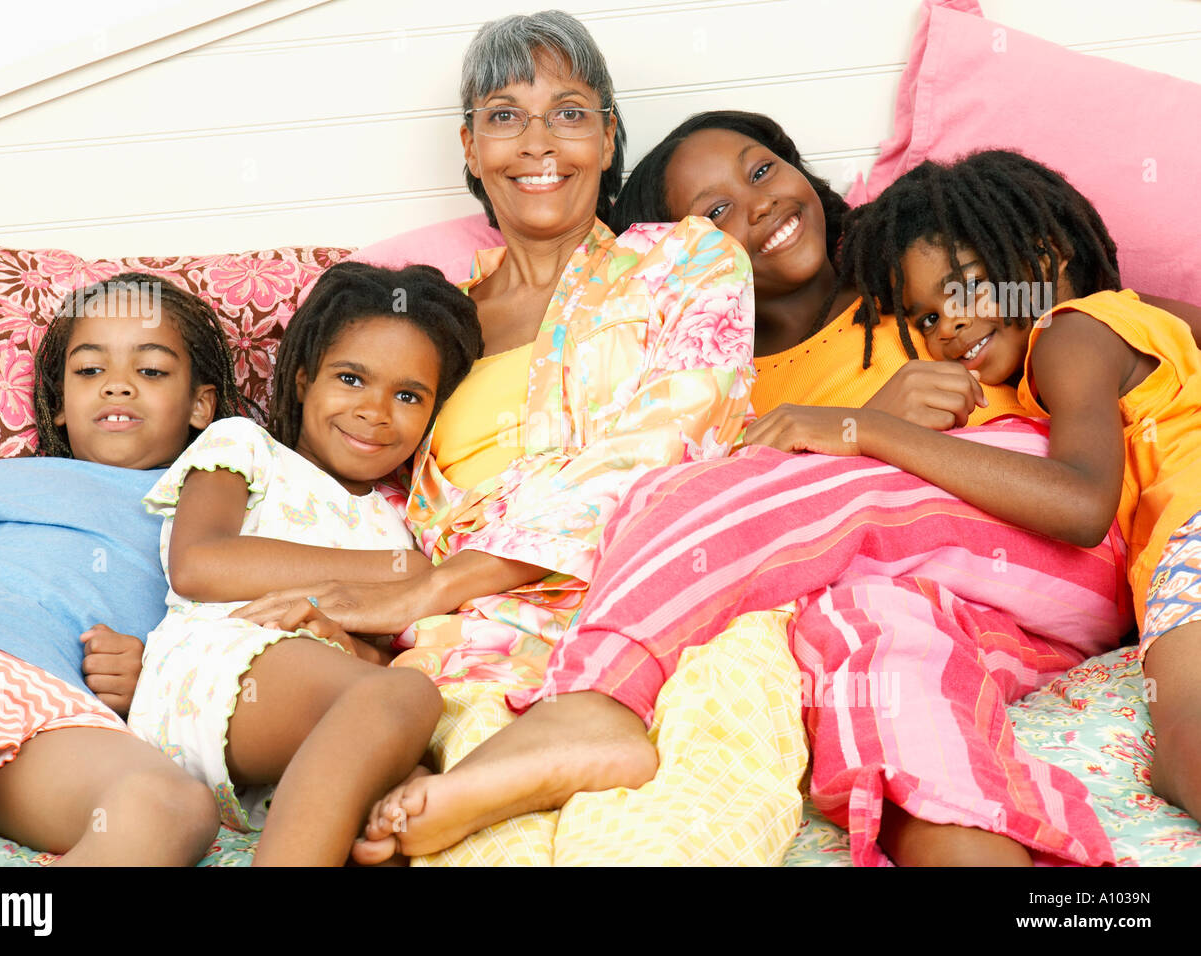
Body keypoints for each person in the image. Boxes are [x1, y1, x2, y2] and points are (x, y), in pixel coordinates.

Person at [356, 113, 1147, 866]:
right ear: (683, 252)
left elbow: (1086, 308)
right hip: (941, 602)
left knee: (704, 494)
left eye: (764, 169)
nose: (760, 202)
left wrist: (854, 431)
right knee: (873, 662)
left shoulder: (909, 272)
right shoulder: (723, 386)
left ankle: (593, 703)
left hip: (1031, 529)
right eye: (717, 210)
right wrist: (848, 422)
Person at [226, 17, 756, 865]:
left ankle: (583, 733)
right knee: (419, 822)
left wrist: (429, 588)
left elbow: (669, 440)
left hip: (645, 587)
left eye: (570, 113)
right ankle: (531, 756)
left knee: (670, 816)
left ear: (610, 136)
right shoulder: (433, 321)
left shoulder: (686, 262)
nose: (538, 142)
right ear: (469, 147)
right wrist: (358, 612)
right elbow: (374, 489)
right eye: (505, 116)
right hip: (463, 637)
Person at [769, 149, 1201, 828]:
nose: (950, 329)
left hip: (1192, 534)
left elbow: (1082, 503)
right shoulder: (1128, 314)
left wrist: (868, 430)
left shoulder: (1063, 338)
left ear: (1047, 259)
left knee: (1187, 735)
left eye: (966, 289)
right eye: (928, 318)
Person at [126, 263, 480, 866]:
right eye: (350, 378)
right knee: (410, 700)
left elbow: (377, 652)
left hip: (305, 731)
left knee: (407, 804)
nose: (375, 410)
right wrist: (395, 571)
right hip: (210, 674)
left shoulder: (401, 520)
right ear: (299, 380)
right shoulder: (245, 445)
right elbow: (199, 565)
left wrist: (337, 623)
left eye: (407, 395)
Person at [0, 272, 246, 866]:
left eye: (151, 371)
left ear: (200, 405)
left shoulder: (219, 510)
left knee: (173, 807)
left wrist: (152, 672)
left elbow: (228, 639)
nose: (117, 386)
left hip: (56, 709)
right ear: (59, 406)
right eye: (90, 371)